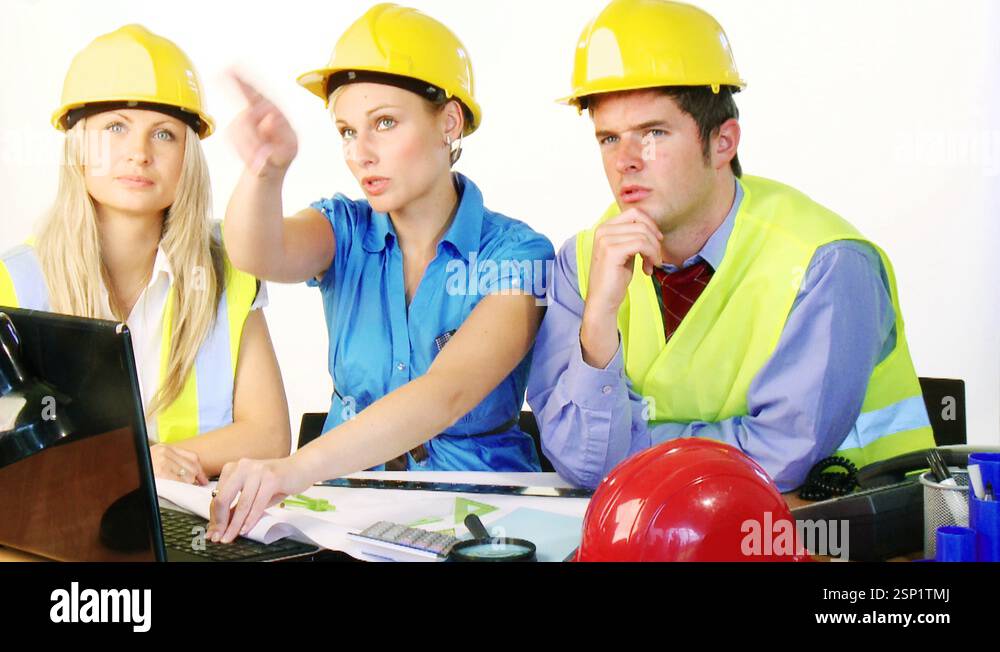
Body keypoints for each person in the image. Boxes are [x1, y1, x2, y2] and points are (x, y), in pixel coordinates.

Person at [526, 0, 935, 491]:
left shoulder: (825, 262)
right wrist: (598, 322)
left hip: (847, 535)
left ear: (723, 142)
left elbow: (776, 463)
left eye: (653, 133)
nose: (626, 161)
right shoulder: (583, 260)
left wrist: (629, 446)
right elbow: (579, 463)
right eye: (609, 139)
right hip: (663, 533)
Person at [208, 4, 554, 542]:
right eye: (347, 131)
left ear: (450, 122)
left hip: (486, 521)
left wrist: (291, 469)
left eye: (385, 124)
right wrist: (266, 170)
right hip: (347, 517)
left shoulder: (517, 254)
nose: (360, 153)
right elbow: (257, 252)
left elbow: (447, 393)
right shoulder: (342, 230)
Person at [0, 25, 291, 484]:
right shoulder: (14, 281)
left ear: (187, 156)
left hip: (195, 526)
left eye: (164, 135)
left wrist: (154, 462)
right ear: (79, 146)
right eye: (116, 128)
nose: (138, 153)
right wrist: (131, 464)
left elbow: (269, 436)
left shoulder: (229, 268)